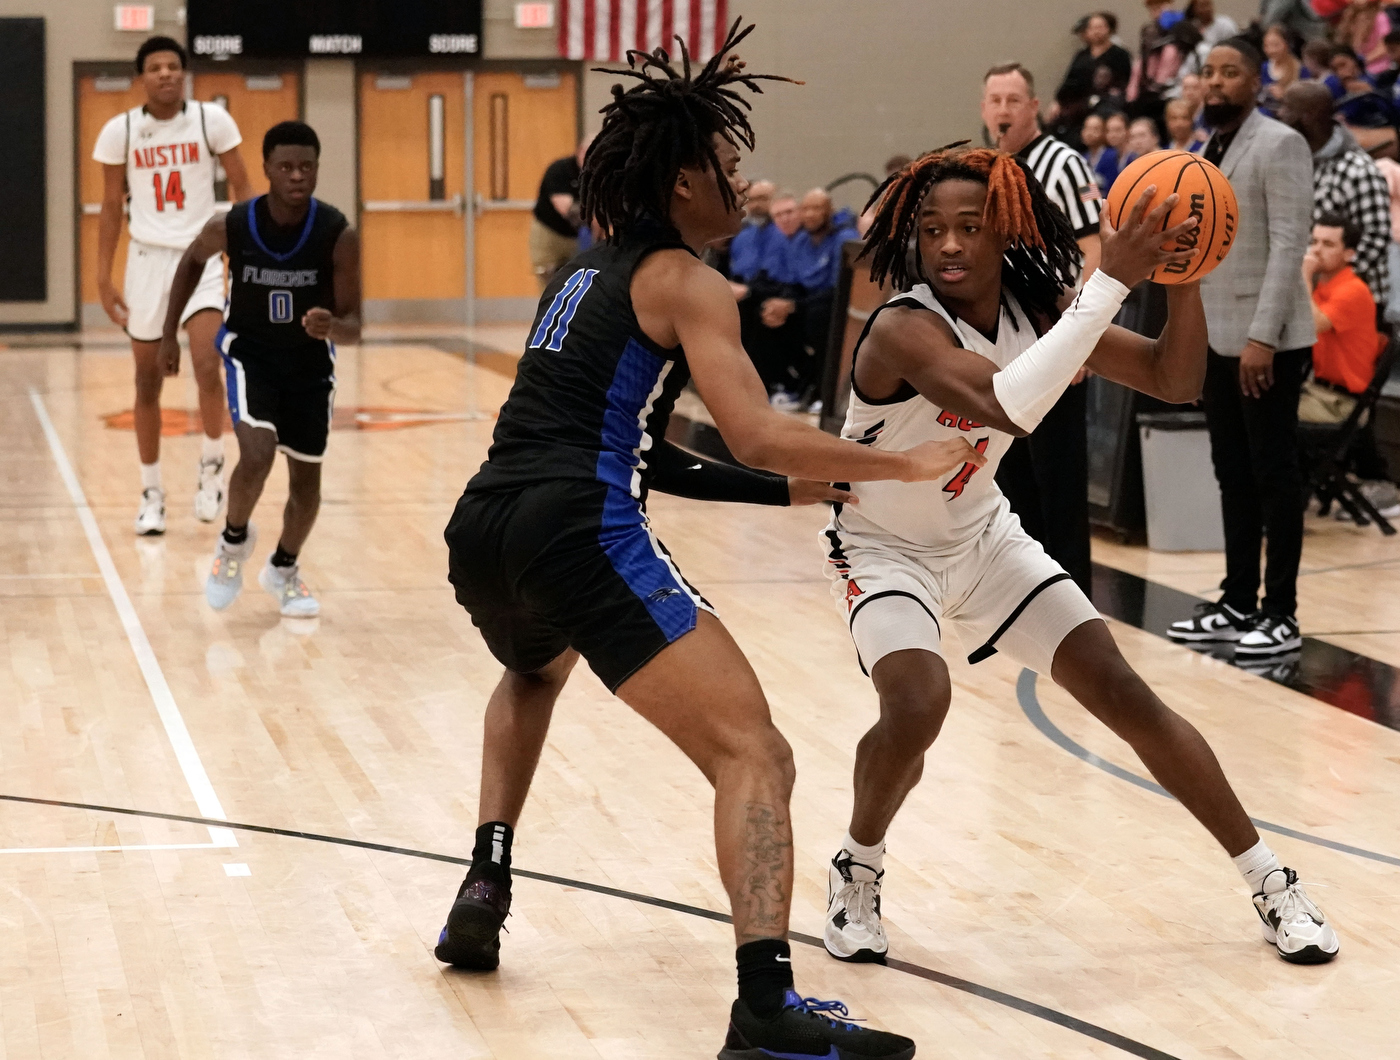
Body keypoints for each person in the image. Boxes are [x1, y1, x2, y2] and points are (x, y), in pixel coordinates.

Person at [435, 24, 974, 1059]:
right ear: (684, 181)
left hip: (486, 526)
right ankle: (764, 1009)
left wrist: (799, 493)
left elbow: (649, 451)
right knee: (754, 750)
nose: (739, 180)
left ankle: (483, 881)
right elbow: (754, 429)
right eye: (726, 165)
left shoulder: (584, 273)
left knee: (535, 671)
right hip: (575, 526)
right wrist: (897, 463)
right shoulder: (687, 278)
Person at [816, 142, 1339, 970]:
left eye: (969, 227)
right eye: (932, 230)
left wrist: (1182, 275)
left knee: (1125, 692)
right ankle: (859, 865)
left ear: (1004, 233)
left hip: (982, 533)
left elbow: (1174, 380)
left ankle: (1271, 881)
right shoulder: (902, 327)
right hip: (882, 547)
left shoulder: (1043, 303)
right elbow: (1007, 405)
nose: (948, 244)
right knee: (918, 700)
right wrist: (1111, 282)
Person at [161, 121, 360, 618]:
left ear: (317, 169)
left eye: (306, 167)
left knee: (306, 484)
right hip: (251, 356)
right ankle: (232, 546)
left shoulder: (337, 233)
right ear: (267, 169)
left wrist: (331, 324)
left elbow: (356, 326)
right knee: (257, 451)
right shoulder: (234, 224)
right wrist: (169, 332)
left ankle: (283, 569)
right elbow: (189, 262)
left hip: (311, 366)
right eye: (286, 167)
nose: (297, 175)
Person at [1167, 39, 1316, 659]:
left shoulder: (1280, 144)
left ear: (1258, 82)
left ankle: (1280, 612)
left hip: (1269, 343)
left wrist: (1262, 337)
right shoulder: (1208, 150)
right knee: (1232, 474)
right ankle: (1237, 599)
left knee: (1274, 475)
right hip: (1221, 340)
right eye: (1209, 72)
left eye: (1231, 72)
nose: (1217, 82)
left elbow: (1289, 246)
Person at [93, 35, 252, 535]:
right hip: (145, 262)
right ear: (142, 77)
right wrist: (102, 274)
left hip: (201, 256)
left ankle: (211, 468)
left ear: (184, 74)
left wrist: (244, 252)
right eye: (155, 67)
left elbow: (243, 188)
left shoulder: (212, 121)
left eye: (173, 66)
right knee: (146, 381)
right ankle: (151, 492)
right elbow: (112, 205)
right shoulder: (120, 131)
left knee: (208, 362)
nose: (165, 73)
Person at [981, 61, 1102, 593]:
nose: (1004, 110)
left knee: (1059, 481)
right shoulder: (983, 168)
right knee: (1008, 478)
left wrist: (1081, 338)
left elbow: (1093, 249)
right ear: (984, 109)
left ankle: (1074, 601)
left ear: (1034, 107)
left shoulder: (1062, 163)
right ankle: (1029, 593)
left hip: (1054, 341)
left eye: (1014, 100)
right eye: (995, 100)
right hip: (1002, 345)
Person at [1300, 214, 1399, 513]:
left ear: (1350, 253)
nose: (1317, 250)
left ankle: (1284, 504)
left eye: (1328, 244)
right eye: (1314, 241)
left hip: (1340, 402)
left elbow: (1315, 322)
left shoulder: (1352, 290)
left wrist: (1303, 275)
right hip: (1319, 392)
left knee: (1269, 414)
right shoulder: (1323, 288)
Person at [1278, 81, 1392, 308]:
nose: (1280, 115)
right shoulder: (1297, 163)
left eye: (1288, 108)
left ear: (1309, 116)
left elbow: (1376, 237)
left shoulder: (1358, 169)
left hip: (1357, 306)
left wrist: (1329, 279)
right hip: (1312, 300)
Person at [762, 188, 859, 410]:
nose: (810, 214)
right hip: (807, 301)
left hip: (834, 305)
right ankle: (790, 384)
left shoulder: (844, 238)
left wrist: (794, 305)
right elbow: (793, 282)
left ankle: (821, 391)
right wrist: (781, 304)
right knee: (768, 313)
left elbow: (839, 288)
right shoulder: (801, 240)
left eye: (816, 208)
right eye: (805, 208)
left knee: (817, 318)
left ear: (829, 211)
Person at [529, 138, 589, 290]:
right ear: (579, 152)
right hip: (549, 234)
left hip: (578, 236)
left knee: (577, 285)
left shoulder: (598, 173)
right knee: (549, 284)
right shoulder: (560, 170)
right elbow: (567, 209)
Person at [1059, 12, 1133, 103]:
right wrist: (1057, 101)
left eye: (1100, 28)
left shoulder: (1121, 55)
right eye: (1092, 28)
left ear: (1109, 29)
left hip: (1108, 102)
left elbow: (1125, 84)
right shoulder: (1081, 55)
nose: (1096, 32)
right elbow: (1070, 82)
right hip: (1079, 103)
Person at [1261, 23, 1303, 112]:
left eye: (1276, 45)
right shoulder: (1264, 67)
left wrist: (1284, 96)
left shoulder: (1300, 69)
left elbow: (1306, 101)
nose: (1270, 50)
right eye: (1266, 46)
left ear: (1287, 45)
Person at [1080, 112, 1120, 191]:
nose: (1089, 133)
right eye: (1086, 128)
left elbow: (1111, 185)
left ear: (1104, 133)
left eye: (1095, 129)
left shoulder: (1111, 156)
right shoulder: (1083, 158)